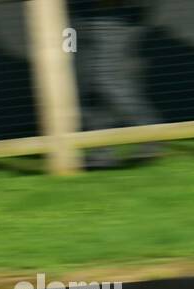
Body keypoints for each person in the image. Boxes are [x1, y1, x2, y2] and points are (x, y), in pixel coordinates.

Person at [68, 0, 160, 168]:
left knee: (107, 79)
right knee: (87, 84)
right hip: (83, 15)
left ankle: (151, 136)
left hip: (114, 13)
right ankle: (101, 153)